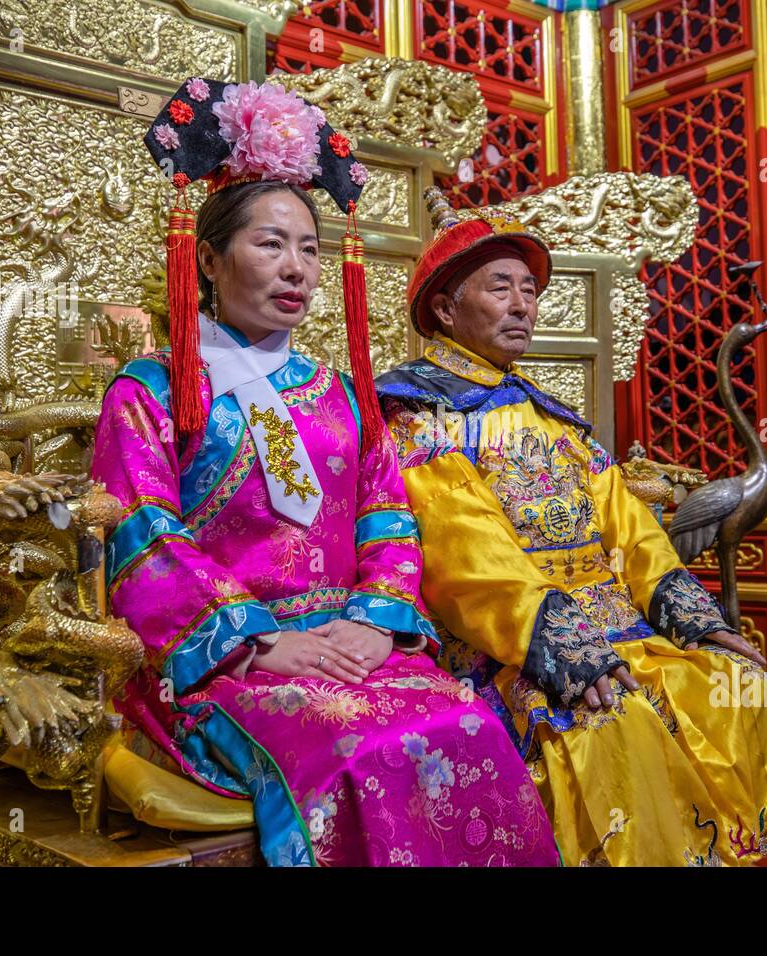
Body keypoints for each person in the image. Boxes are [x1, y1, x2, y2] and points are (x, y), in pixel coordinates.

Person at [93, 78, 559, 867]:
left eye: (309, 248)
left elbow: (388, 517)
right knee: (354, 750)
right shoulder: (153, 389)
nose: (297, 269)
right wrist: (256, 644)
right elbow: (144, 533)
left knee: (469, 722)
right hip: (220, 663)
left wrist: (375, 624)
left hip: (349, 640)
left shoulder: (340, 394)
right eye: (270, 244)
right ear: (208, 257)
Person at [375, 188, 767, 866]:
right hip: (510, 644)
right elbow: (467, 556)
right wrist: (564, 649)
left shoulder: (555, 419)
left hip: (620, 629)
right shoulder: (421, 416)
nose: (523, 305)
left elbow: (632, 529)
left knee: (731, 683)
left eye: (528, 290)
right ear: (443, 307)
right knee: (608, 720)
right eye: (499, 289)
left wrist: (694, 616)